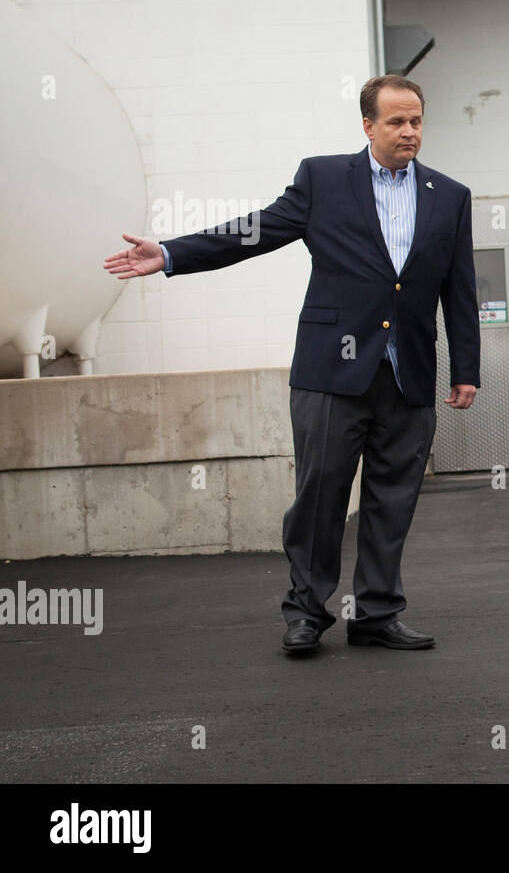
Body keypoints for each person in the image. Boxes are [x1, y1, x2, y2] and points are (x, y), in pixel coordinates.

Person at [103, 75, 480, 655]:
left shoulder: (449, 195)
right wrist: (172, 253)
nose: (410, 132)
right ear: (368, 126)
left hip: (408, 375)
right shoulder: (325, 179)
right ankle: (306, 613)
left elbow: (459, 287)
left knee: (393, 498)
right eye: (397, 122)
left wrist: (465, 369)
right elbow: (255, 232)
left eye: (417, 121)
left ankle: (377, 612)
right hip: (332, 372)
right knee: (320, 496)